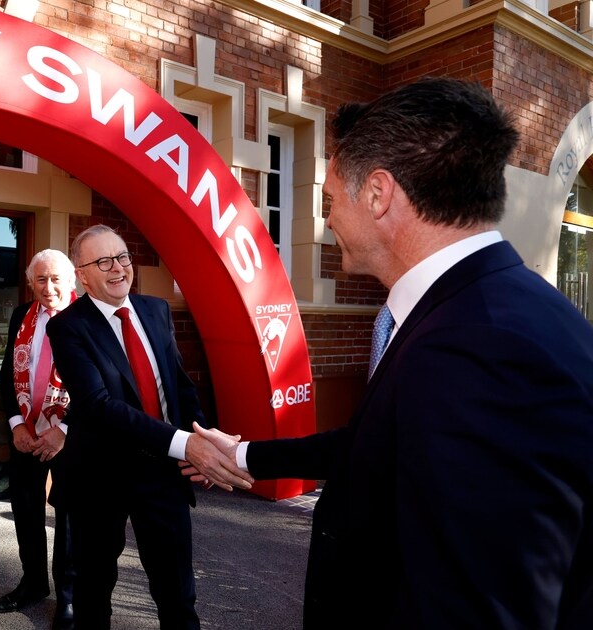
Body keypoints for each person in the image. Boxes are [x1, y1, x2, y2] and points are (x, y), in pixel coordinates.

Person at [194, 77, 593, 629]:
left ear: (379, 194)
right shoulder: (477, 311)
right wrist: (240, 456)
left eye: (332, 198)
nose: (327, 219)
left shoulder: (480, 349)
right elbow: (376, 441)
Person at [45, 224, 253, 630]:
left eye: (122, 257)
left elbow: (179, 385)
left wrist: (204, 442)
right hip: (98, 478)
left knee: (177, 595)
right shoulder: (67, 327)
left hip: (163, 473)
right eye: (103, 261)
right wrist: (185, 445)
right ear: (82, 274)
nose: (117, 268)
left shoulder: (156, 310)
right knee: (93, 595)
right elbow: (98, 405)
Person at [0, 249, 78, 629]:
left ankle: (69, 596)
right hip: (27, 433)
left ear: (72, 280)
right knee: (26, 509)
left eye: (56, 279)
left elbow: (104, 386)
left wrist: (63, 430)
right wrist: (16, 424)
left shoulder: (88, 318)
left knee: (70, 518)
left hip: (71, 437)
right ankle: (32, 583)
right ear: (31, 282)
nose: (49, 287)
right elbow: (7, 373)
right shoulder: (20, 316)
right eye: (41, 279)